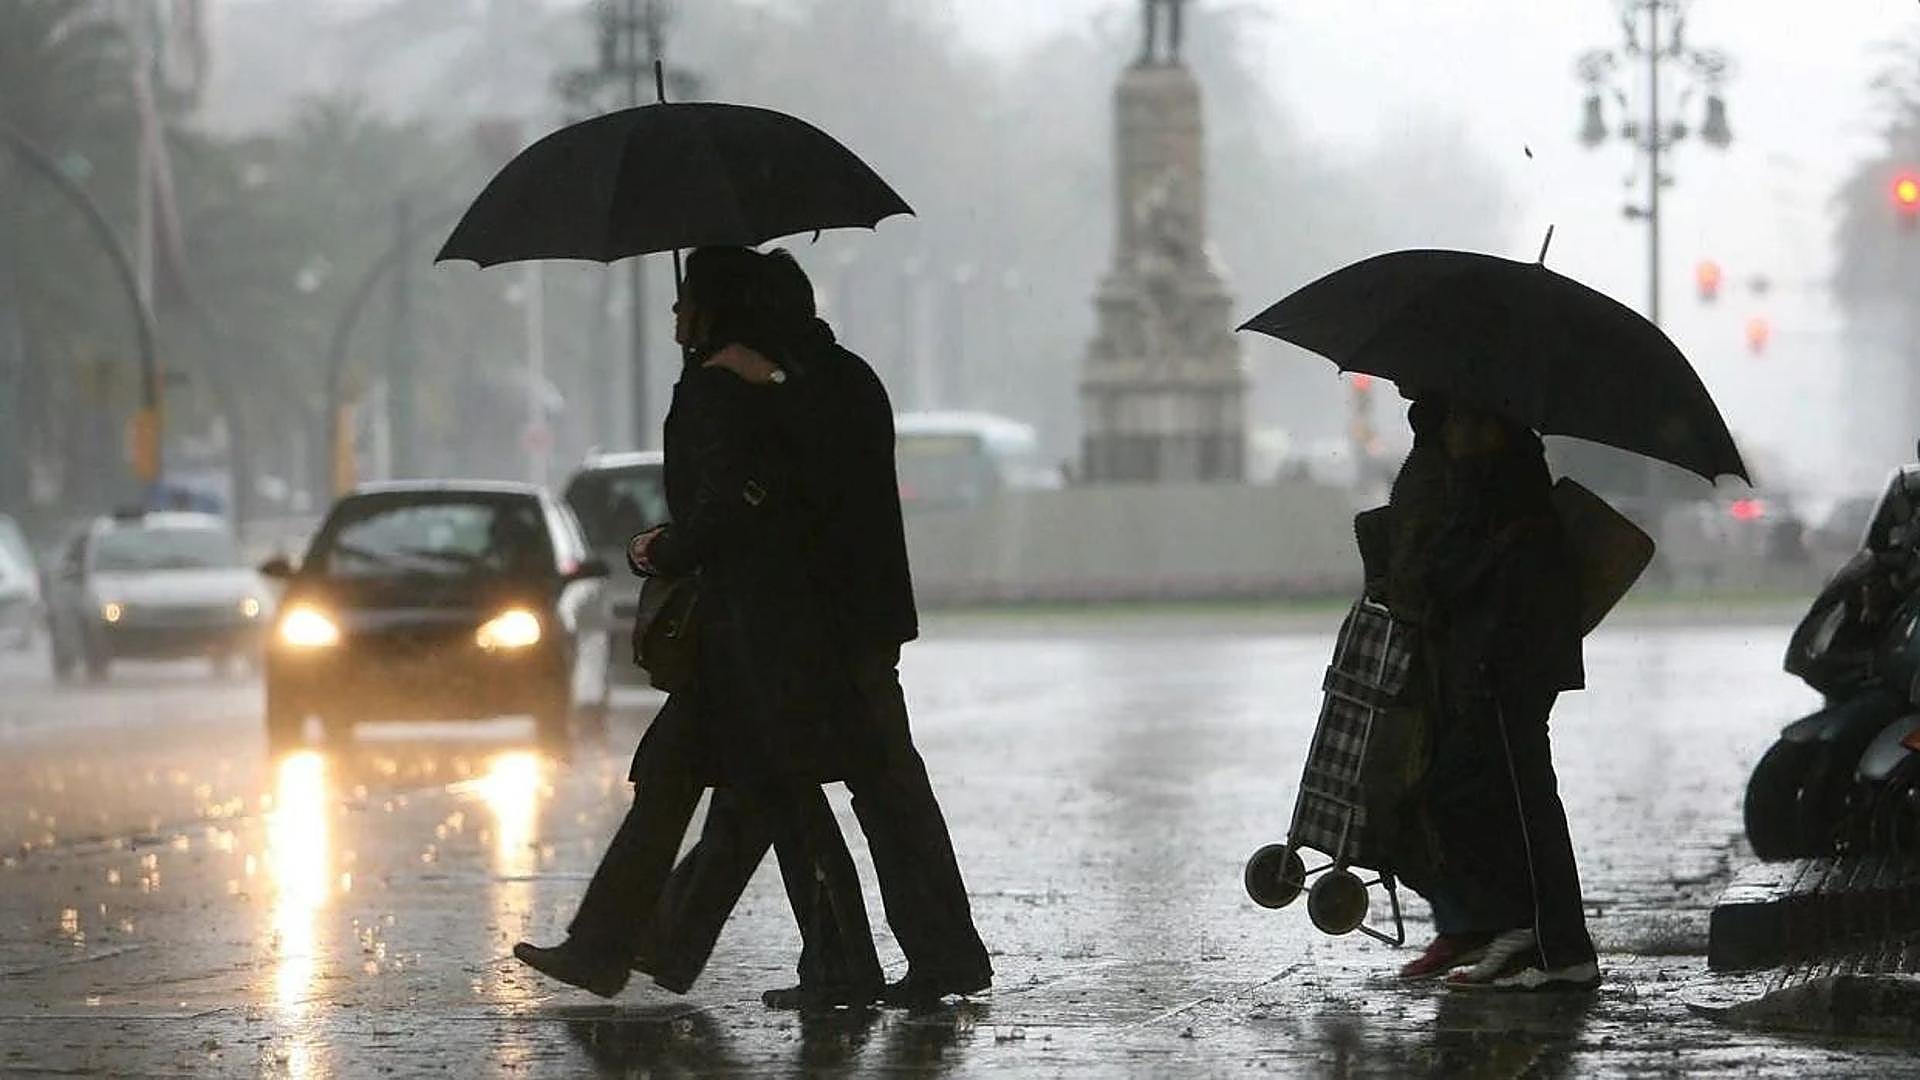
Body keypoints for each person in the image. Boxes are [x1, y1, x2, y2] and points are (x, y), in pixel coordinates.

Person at [514, 246, 883, 1003]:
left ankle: (635, 947)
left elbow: (736, 502)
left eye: (687, 304)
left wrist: (667, 547)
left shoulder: (727, 387)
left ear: (714, 311)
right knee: (709, 789)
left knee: (768, 796)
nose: (675, 316)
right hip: (744, 632)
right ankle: (621, 945)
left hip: (750, 635)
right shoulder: (734, 382)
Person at [644, 249, 994, 1009]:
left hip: (813, 630)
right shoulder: (842, 377)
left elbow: (770, 490)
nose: (679, 320)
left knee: (816, 789)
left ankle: (861, 961)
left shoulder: (796, 388)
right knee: (865, 791)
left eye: (691, 305)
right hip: (852, 622)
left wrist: (748, 387)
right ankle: (925, 955)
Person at [1414, 405, 1597, 991]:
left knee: (1524, 805)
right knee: (1470, 792)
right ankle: (1517, 929)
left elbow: (1468, 572)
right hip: (1495, 663)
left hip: (1507, 665)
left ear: (1495, 427)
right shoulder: (1483, 480)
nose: (1452, 430)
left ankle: (1560, 948)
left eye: (1464, 422)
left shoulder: (1506, 492)